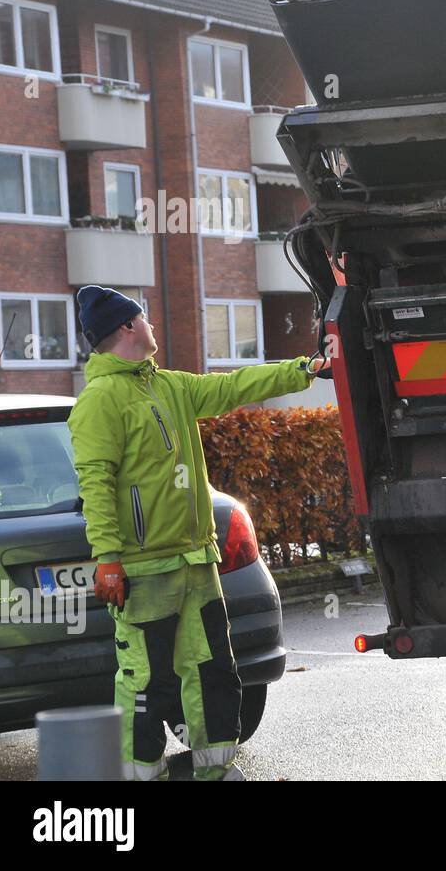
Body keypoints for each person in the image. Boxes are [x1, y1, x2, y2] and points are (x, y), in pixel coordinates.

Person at [67, 285, 329, 780]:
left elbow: (234, 387)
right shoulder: (101, 400)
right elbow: (96, 486)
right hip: (145, 570)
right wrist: (108, 559)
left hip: (194, 561)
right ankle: (139, 775)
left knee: (211, 672)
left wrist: (303, 368)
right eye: (143, 318)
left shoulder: (167, 386)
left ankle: (213, 771)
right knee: (144, 680)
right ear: (125, 328)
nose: (151, 325)